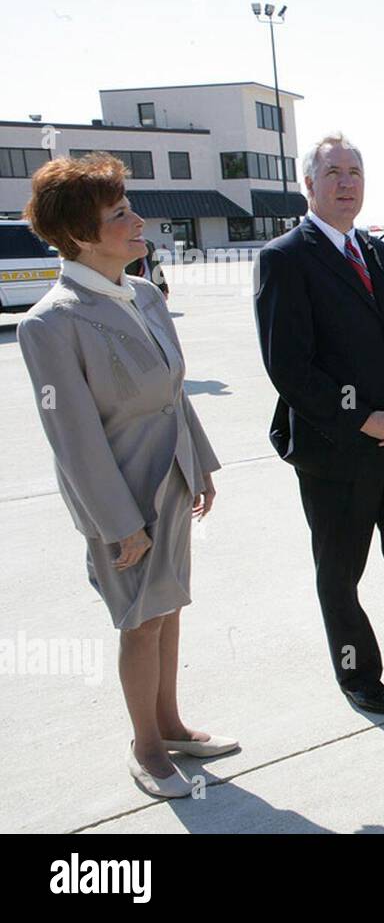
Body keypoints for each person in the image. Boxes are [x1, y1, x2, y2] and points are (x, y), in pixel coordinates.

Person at [17, 153, 229, 799]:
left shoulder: (143, 294)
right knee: (139, 621)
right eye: (120, 215)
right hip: (121, 499)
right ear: (81, 236)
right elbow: (73, 438)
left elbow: (174, 392)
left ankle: (170, 725)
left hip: (170, 480)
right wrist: (118, 523)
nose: (139, 222)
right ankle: (145, 747)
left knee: (168, 610)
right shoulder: (51, 323)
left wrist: (201, 463)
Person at [254, 132, 384, 717]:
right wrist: (362, 420)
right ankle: (357, 672)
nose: (347, 183)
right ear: (308, 185)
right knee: (342, 570)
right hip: (337, 449)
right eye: (334, 173)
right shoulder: (285, 259)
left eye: (355, 172)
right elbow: (288, 367)